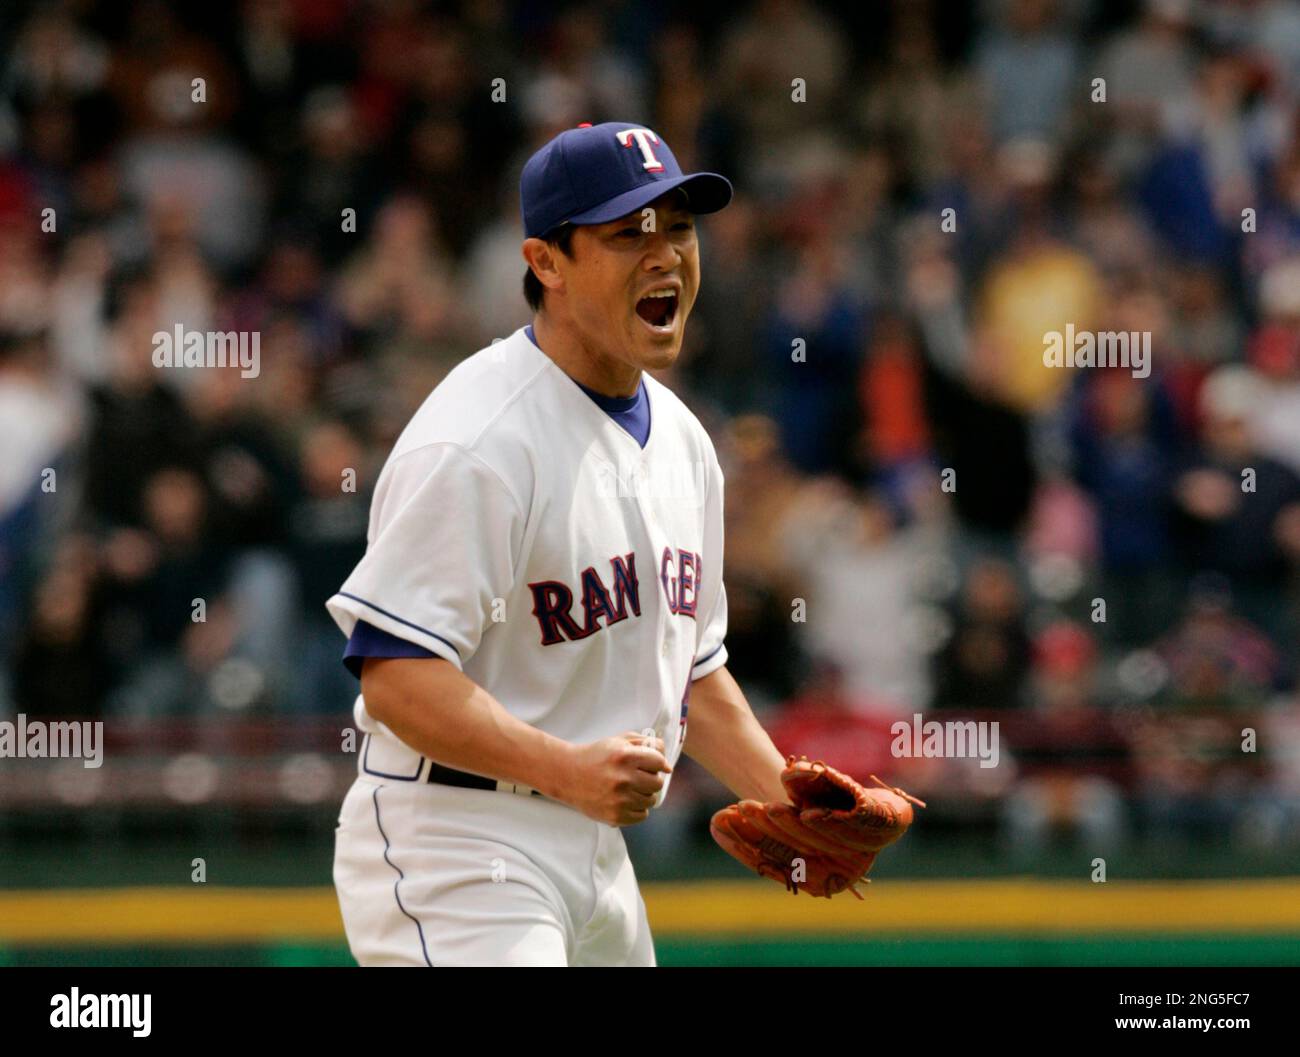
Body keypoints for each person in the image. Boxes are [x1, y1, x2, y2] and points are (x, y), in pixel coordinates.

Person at [328, 121, 788, 966]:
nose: (664, 256)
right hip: (457, 842)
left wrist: (785, 802)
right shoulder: (478, 439)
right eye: (626, 235)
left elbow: (694, 668)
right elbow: (396, 676)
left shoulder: (685, 443)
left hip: (595, 851)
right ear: (546, 263)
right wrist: (565, 768)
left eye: (679, 228)